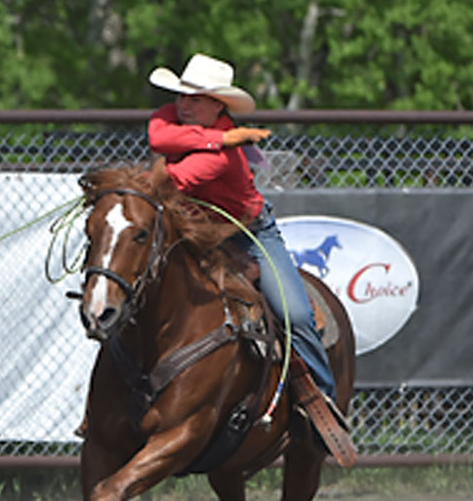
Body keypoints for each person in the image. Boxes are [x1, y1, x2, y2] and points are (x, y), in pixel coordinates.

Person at [146, 53, 353, 458]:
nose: (184, 104)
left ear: (218, 105)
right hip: (189, 230)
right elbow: (158, 136)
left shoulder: (221, 158)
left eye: (197, 98)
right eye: (183, 96)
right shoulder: (200, 130)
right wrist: (222, 137)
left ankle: (321, 403)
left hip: (247, 235)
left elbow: (173, 180)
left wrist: (220, 144)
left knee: (293, 313)